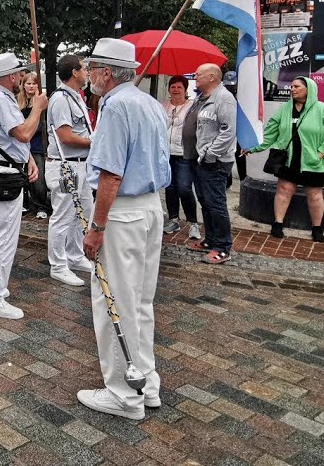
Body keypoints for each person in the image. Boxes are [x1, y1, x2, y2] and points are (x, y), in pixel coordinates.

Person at [78, 38, 170, 420]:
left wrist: (96, 227)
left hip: (124, 212)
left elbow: (111, 174)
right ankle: (145, 382)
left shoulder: (115, 106)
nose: (89, 77)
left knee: (113, 302)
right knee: (141, 301)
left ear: (105, 72)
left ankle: (124, 395)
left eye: (92, 69)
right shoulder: (149, 102)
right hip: (151, 208)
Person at [0, 53, 46, 320]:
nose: (22, 78)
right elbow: (23, 133)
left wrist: (26, 159)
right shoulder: (1, 100)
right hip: (3, 175)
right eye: (19, 74)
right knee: (3, 236)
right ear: (12, 76)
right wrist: (37, 108)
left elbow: (12, 140)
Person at [247, 77, 324, 241]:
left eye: (297, 86)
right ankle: (277, 224)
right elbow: (270, 133)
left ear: (309, 90)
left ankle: (317, 228)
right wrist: (253, 148)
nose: (292, 89)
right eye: (291, 86)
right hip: (288, 159)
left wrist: (321, 153)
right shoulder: (285, 109)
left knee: (314, 194)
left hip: (313, 162)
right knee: (283, 190)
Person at [45, 55, 93, 287]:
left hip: (80, 164)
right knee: (63, 216)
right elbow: (65, 137)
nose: (87, 73)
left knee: (82, 212)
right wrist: (95, 142)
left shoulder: (77, 98)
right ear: (74, 72)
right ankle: (58, 265)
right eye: (84, 69)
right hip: (66, 165)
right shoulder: (61, 99)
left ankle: (74, 256)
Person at [184, 64, 237, 265]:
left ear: (213, 76)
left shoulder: (224, 99)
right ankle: (211, 240)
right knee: (206, 202)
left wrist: (210, 154)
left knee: (216, 204)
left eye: (199, 74)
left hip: (214, 162)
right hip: (200, 159)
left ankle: (223, 247)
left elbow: (228, 131)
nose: (195, 76)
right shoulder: (201, 97)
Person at [160, 76, 199, 239]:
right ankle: (173, 219)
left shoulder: (192, 107)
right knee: (170, 187)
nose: (176, 90)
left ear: (185, 90)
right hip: (166, 153)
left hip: (184, 153)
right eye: (173, 87)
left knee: (184, 187)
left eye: (179, 87)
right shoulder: (162, 106)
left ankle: (193, 222)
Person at [18, 72, 51, 220]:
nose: (31, 86)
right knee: (22, 177)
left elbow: (42, 125)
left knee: (38, 179)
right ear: (23, 85)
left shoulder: (42, 103)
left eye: (34, 83)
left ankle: (41, 205)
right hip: (21, 145)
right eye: (28, 83)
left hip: (37, 145)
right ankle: (24, 203)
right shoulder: (18, 102)